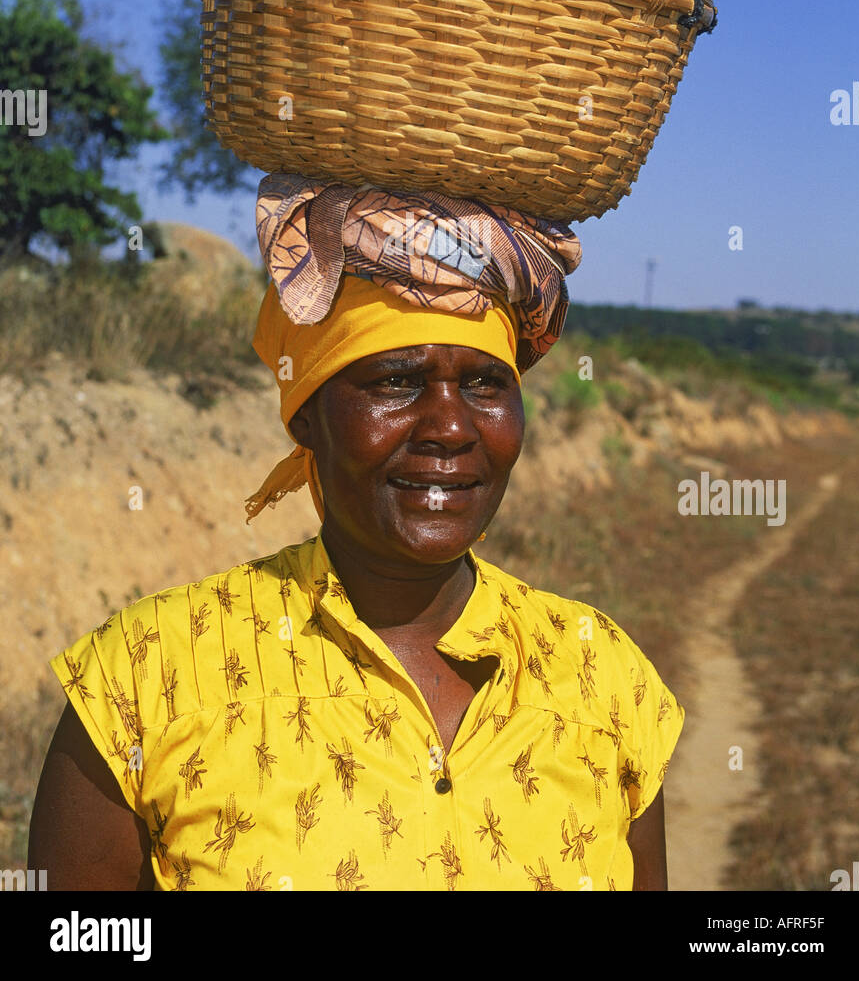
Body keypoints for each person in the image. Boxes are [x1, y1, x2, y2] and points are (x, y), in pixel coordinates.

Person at [29, 176, 684, 891]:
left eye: (485, 385)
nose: (450, 428)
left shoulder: (602, 679)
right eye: (395, 381)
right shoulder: (144, 679)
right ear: (307, 414)